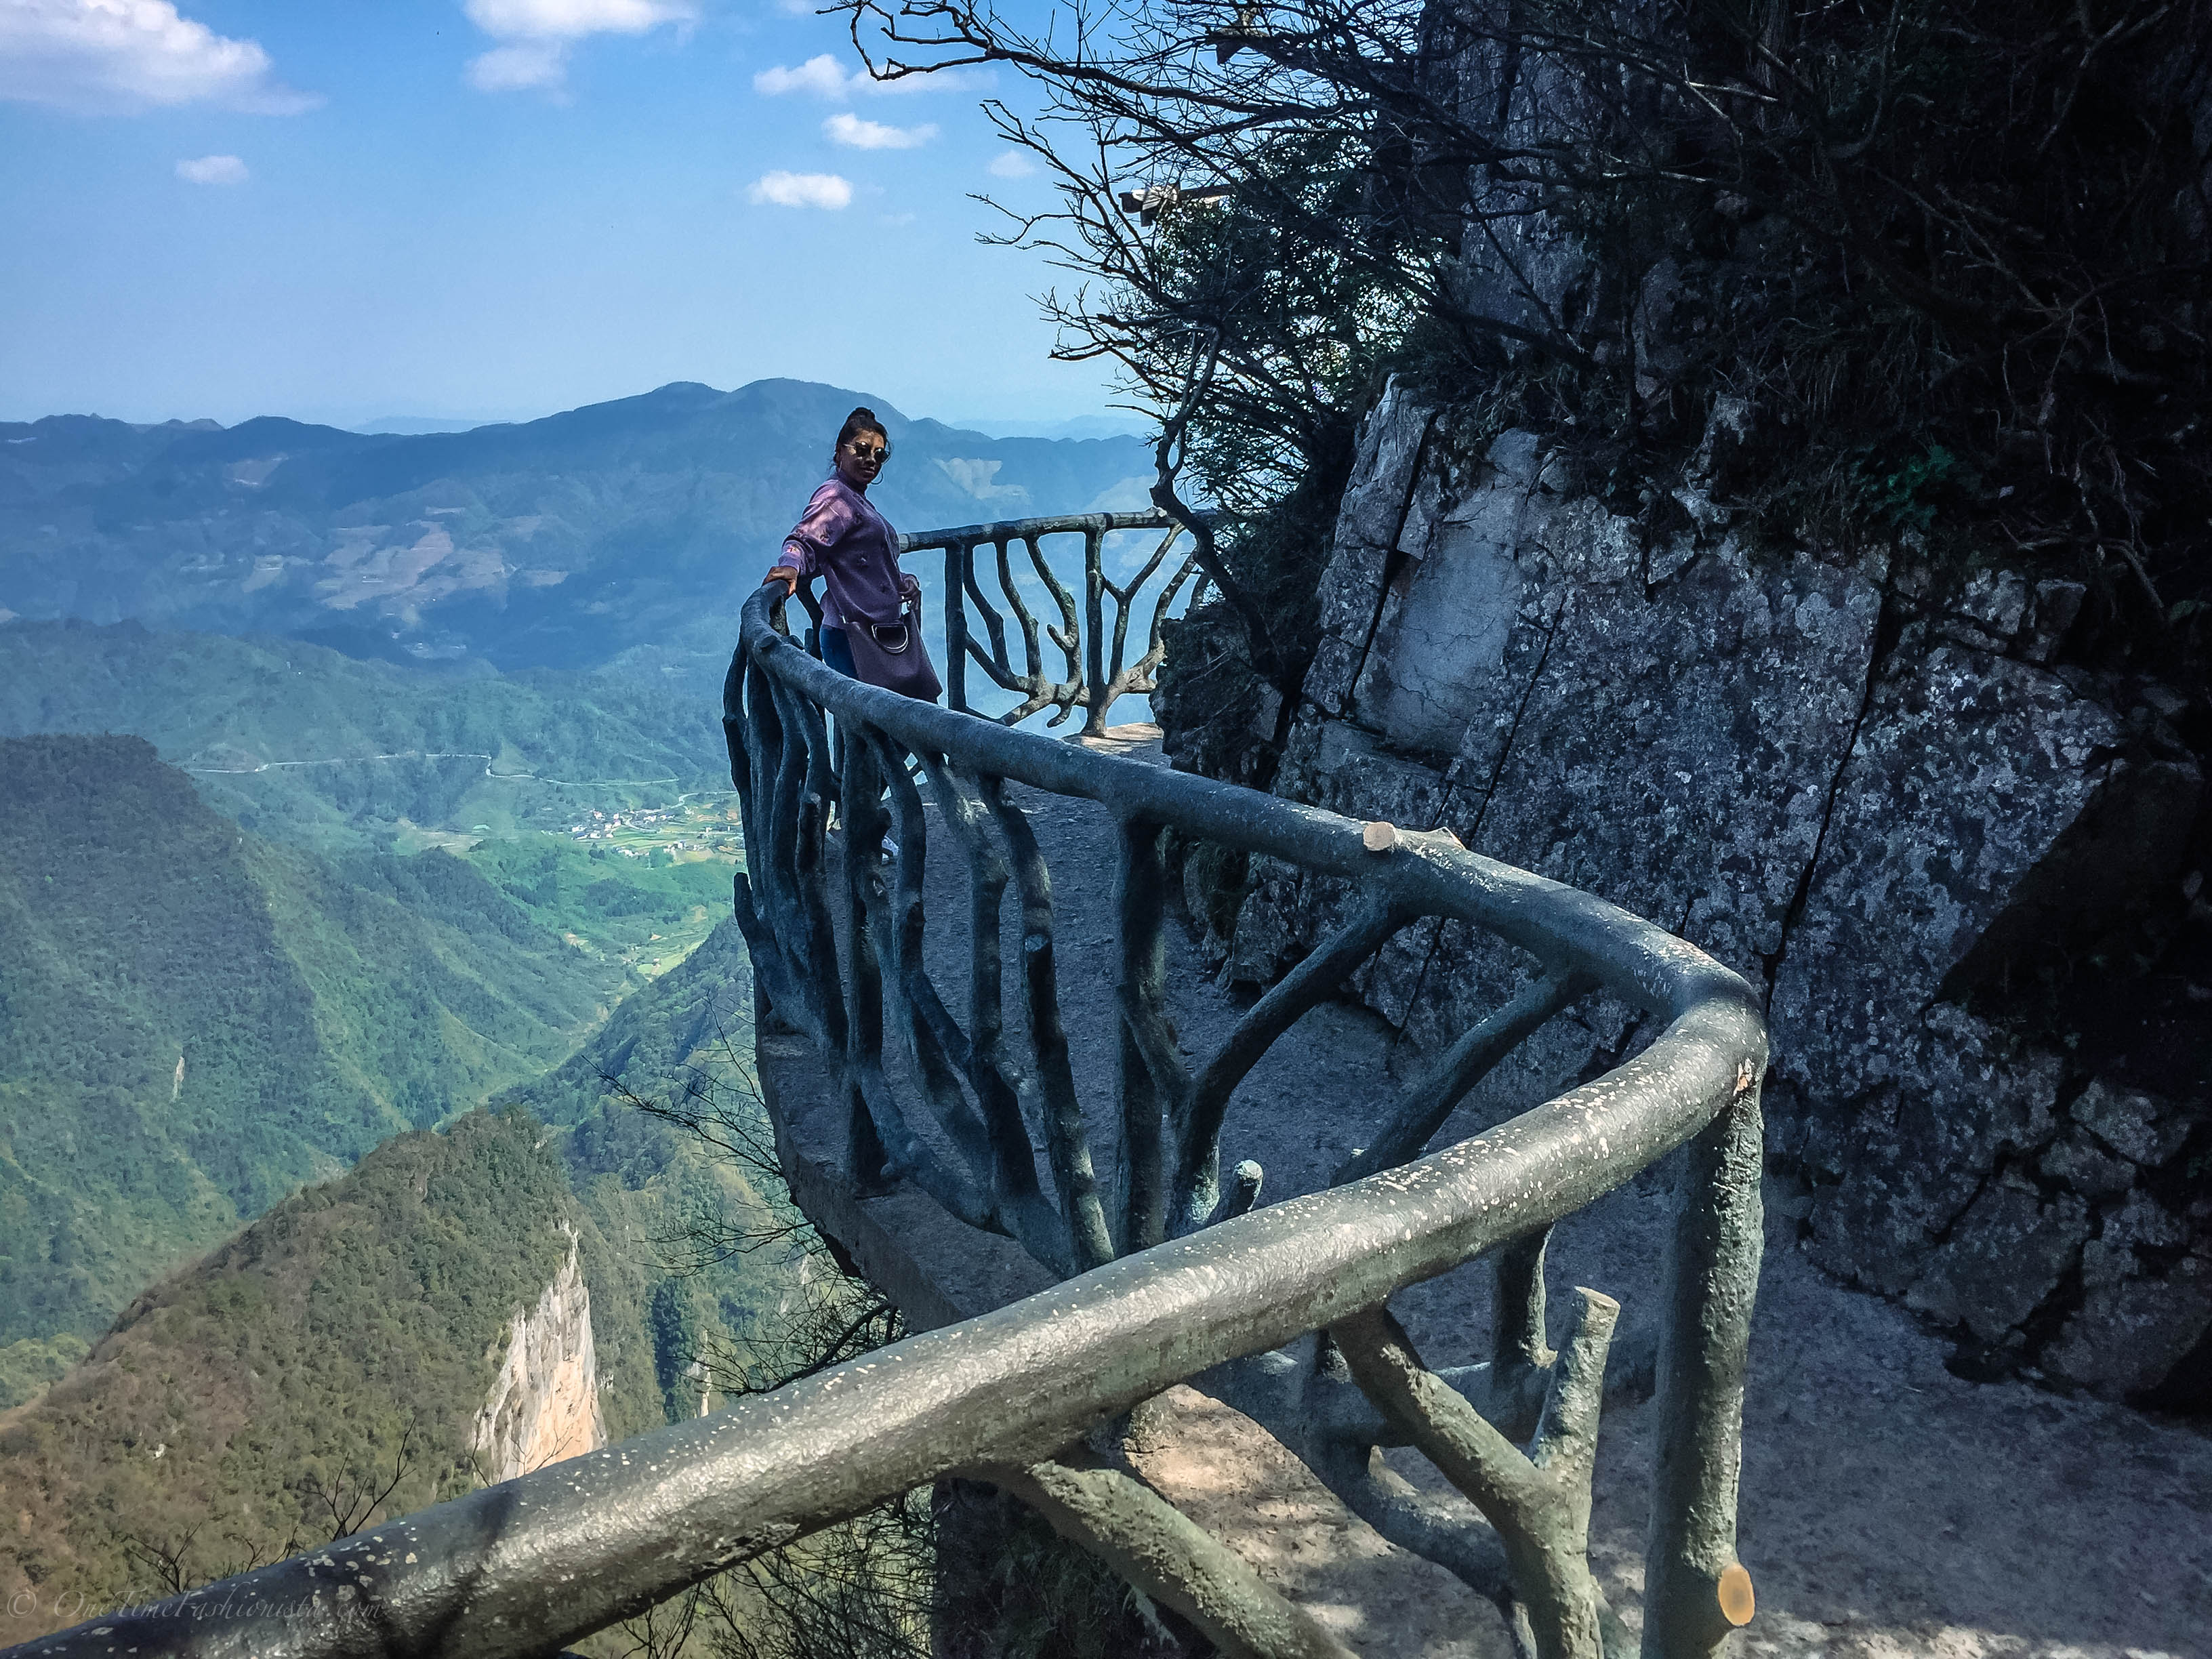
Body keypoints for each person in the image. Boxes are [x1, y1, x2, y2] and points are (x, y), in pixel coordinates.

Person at [763, 407, 930, 693]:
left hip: (876, 633)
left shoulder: (855, 498)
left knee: (887, 724)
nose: (871, 460)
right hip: (852, 635)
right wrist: (790, 566)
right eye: (862, 450)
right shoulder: (836, 497)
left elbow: (863, 561)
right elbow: (804, 539)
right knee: (877, 725)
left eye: (880, 455)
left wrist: (902, 582)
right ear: (840, 452)